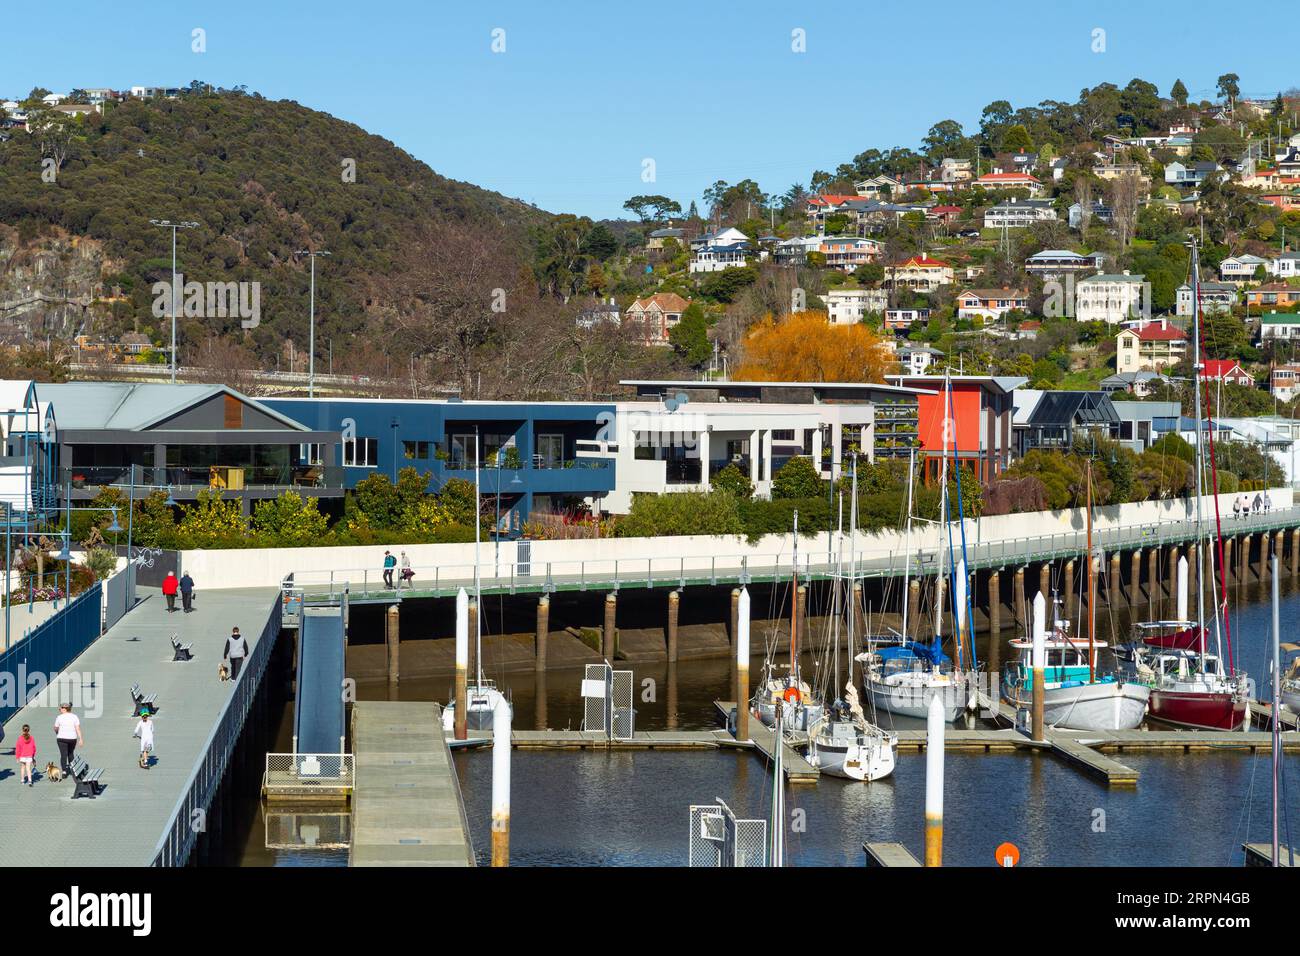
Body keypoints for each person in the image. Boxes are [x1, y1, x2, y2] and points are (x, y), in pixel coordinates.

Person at [53, 703, 83, 778]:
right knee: (70, 754)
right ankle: (73, 770)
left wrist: (57, 732)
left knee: (63, 755)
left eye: (60, 708)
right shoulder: (75, 717)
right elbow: (77, 728)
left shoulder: (59, 717)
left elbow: (56, 728)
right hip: (72, 739)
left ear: (64, 709)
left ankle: (64, 771)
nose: (59, 709)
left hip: (61, 738)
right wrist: (80, 739)